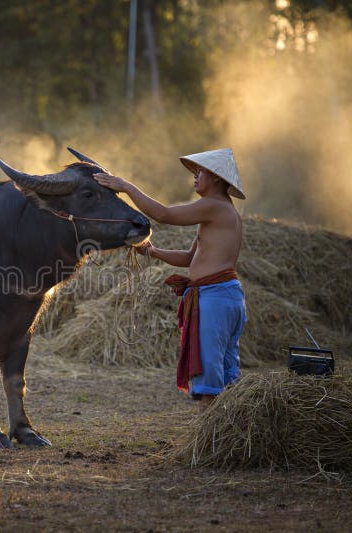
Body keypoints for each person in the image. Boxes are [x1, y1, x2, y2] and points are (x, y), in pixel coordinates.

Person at [93, 148, 248, 410]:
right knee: (226, 375)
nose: (195, 177)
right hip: (225, 297)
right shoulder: (219, 212)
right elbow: (190, 258)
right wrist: (152, 252)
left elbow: (164, 214)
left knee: (209, 376)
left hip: (215, 299)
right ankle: (229, 436)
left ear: (218, 179)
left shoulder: (212, 206)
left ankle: (208, 442)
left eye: (201, 172)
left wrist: (126, 186)